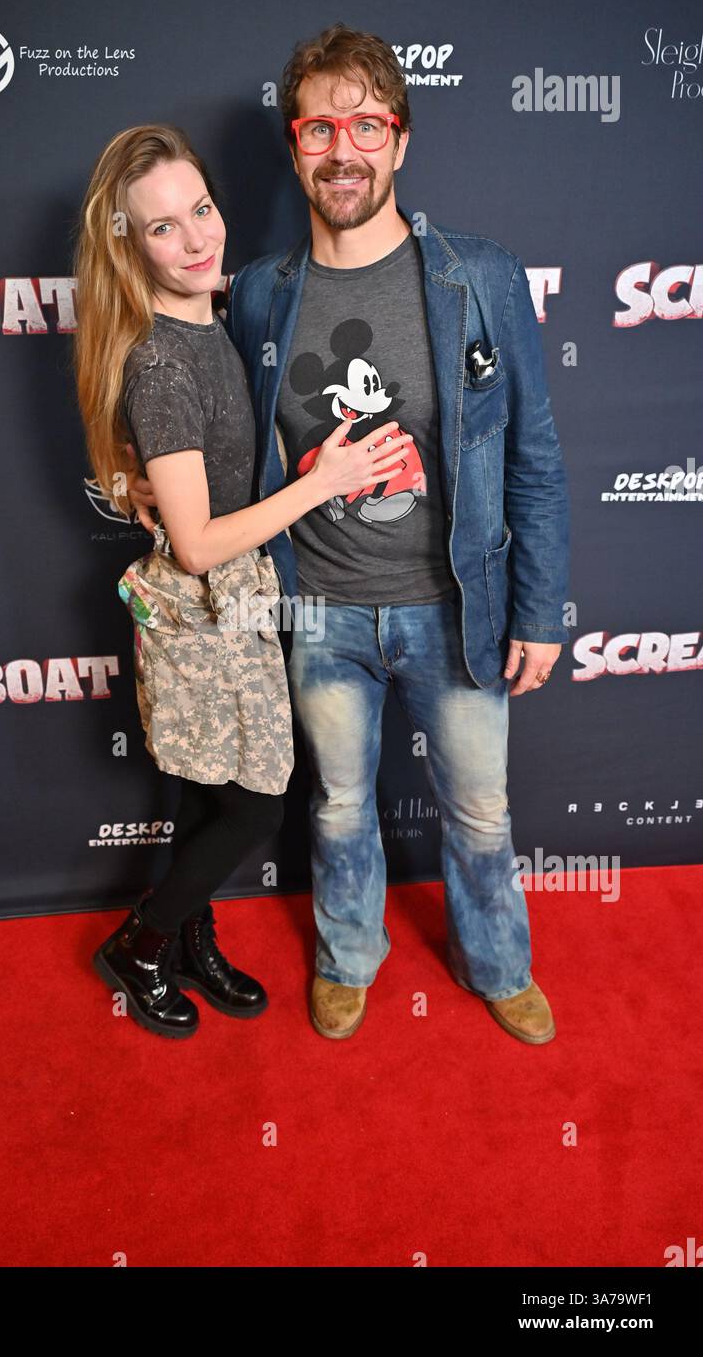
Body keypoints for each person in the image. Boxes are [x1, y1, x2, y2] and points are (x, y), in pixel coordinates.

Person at [125, 25, 572, 1047]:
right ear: (295, 148)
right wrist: (141, 485)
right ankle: (346, 957)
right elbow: (205, 421)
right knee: (334, 807)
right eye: (321, 125)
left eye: (367, 123)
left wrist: (541, 609)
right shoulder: (263, 294)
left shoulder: (484, 279)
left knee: (483, 815)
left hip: (456, 608)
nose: (344, 147)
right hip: (317, 612)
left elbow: (535, 457)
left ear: (401, 141)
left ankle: (500, 964)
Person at [72, 122, 413, 1039]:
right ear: (129, 246)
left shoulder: (208, 319)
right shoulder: (162, 361)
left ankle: (186, 938)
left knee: (204, 791)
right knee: (257, 802)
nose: (196, 238)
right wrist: (322, 486)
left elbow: (185, 483)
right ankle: (139, 947)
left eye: (203, 210)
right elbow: (195, 546)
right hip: (204, 604)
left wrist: (135, 480)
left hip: (237, 601)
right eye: (164, 228)